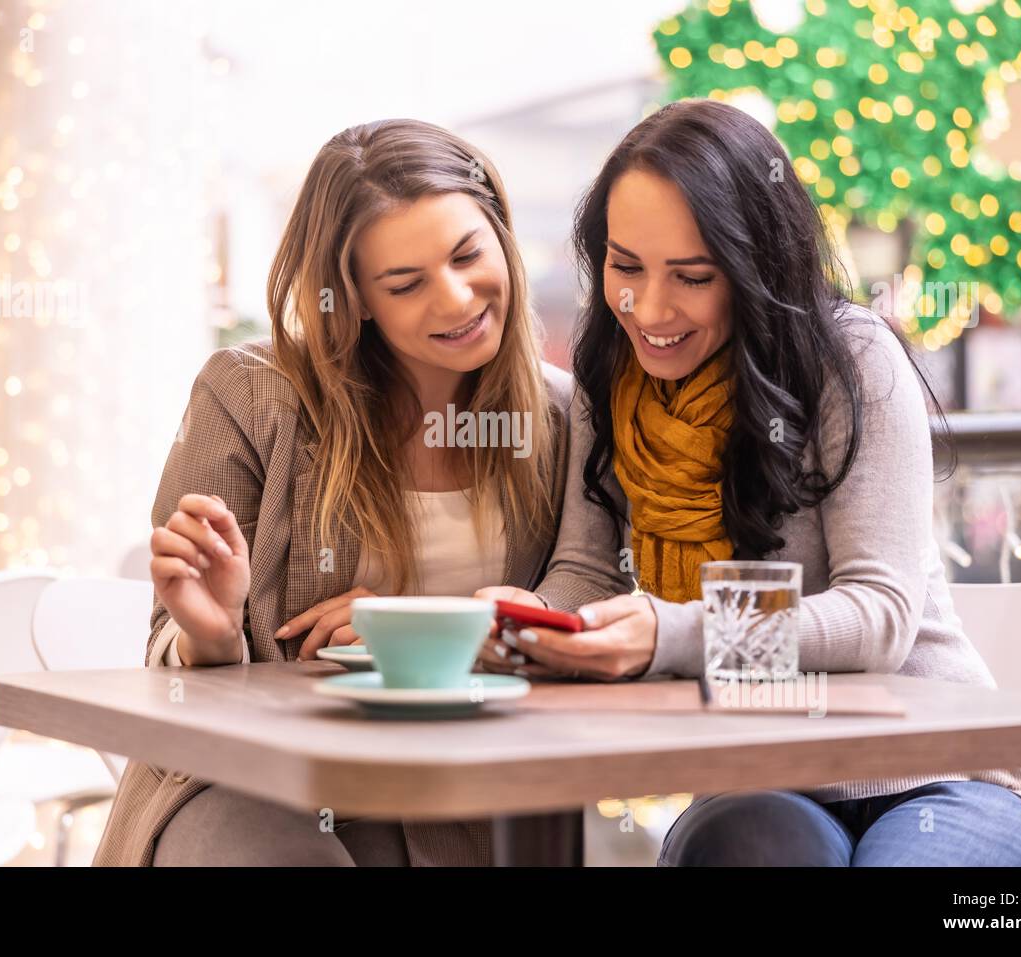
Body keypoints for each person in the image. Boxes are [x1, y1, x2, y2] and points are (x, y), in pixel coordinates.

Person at [479, 99, 1021, 866]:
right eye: (626, 267)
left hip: (943, 770)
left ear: (756, 264)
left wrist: (675, 632)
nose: (649, 309)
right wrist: (524, 620)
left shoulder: (849, 358)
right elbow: (590, 572)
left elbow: (880, 615)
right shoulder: (612, 371)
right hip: (759, 771)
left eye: (692, 276)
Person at [92, 119, 626, 867]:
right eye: (405, 284)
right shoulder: (250, 398)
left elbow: (587, 583)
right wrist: (211, 636)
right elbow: (173, 665)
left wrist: (427, 625)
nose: (455, 299)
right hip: (262, 791)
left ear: (502, 234)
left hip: (478, 797)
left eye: (469, 254)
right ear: (355, 299)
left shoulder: (568, 415)